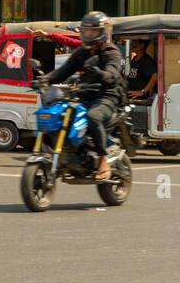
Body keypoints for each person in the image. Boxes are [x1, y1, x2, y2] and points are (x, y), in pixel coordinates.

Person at [39, 11, 127, 181]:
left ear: (102, 32)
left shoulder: (111, 52)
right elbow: (64, 71)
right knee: (62, 113)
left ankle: (103, 160)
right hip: (84, 95)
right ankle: (67, 153)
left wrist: (100, 74)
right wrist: (44, 80)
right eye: (85, 31)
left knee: (92, 117)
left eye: (92, 32)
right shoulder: (82, 52)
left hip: (108, 96)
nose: (88, 35)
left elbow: (112, 75)